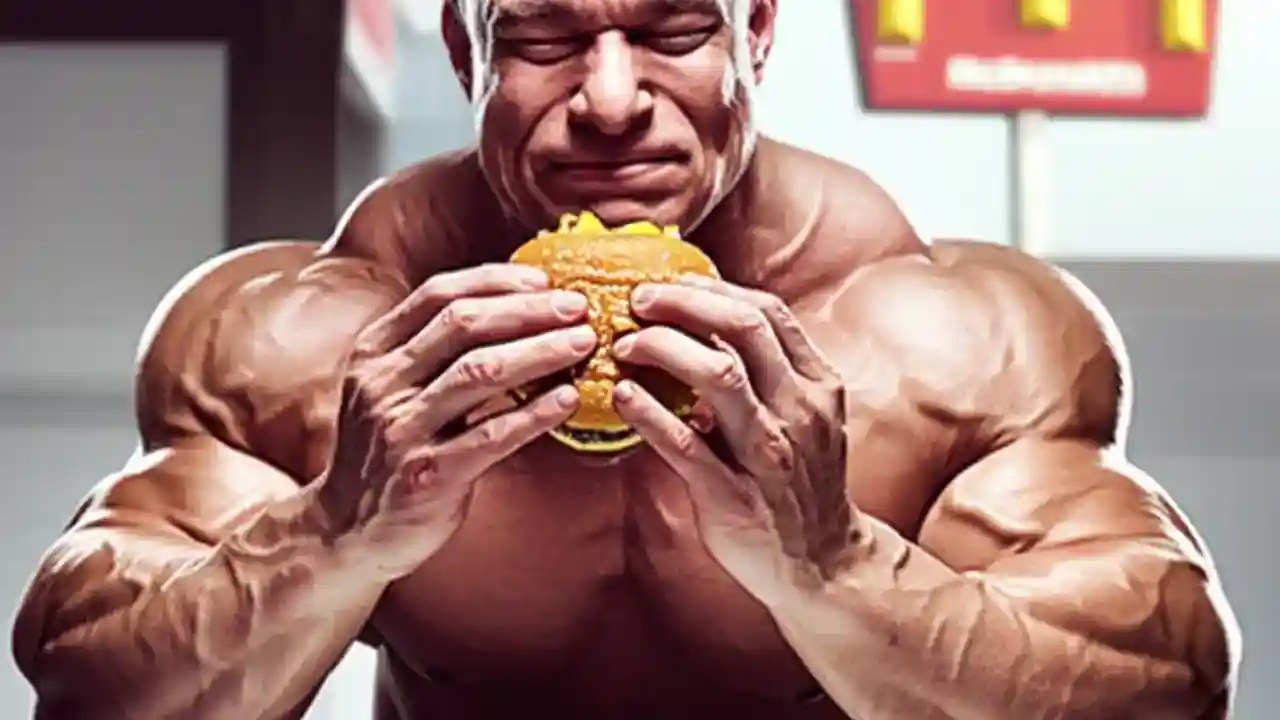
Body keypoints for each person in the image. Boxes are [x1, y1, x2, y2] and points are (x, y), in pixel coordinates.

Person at [11, 0, 1241, 718]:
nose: (610, 98)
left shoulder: (952, 333)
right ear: (463, 47)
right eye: (545, 36)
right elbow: (85, 684)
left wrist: (834, 564)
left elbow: (1165, 681)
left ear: (754, 33)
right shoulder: (306, 335)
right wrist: (336, 535)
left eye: (669, 31)